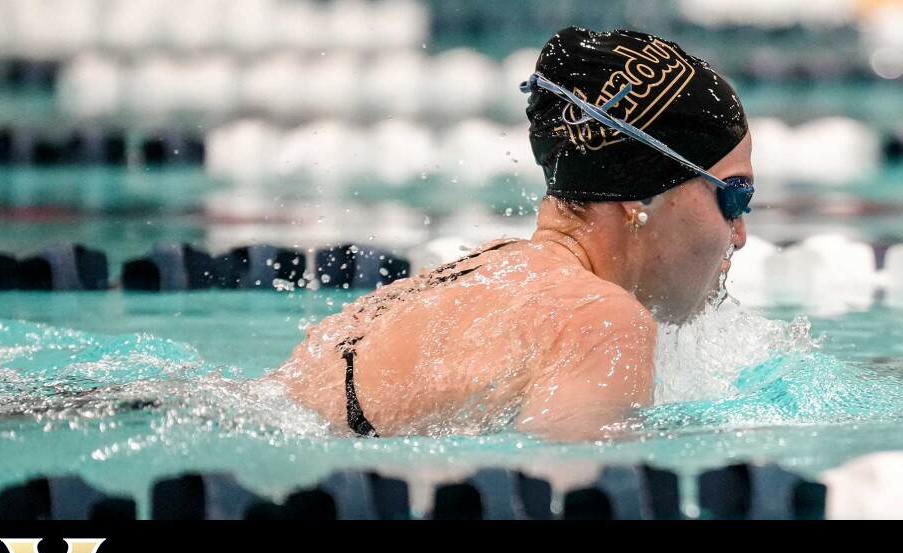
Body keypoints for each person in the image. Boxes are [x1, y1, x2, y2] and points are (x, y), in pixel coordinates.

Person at [270, 26, 754, 441]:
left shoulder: (487, 269)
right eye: (734, 197)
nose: (740, 234)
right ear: (641, 197)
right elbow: (575, 498)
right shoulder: (603, 322)